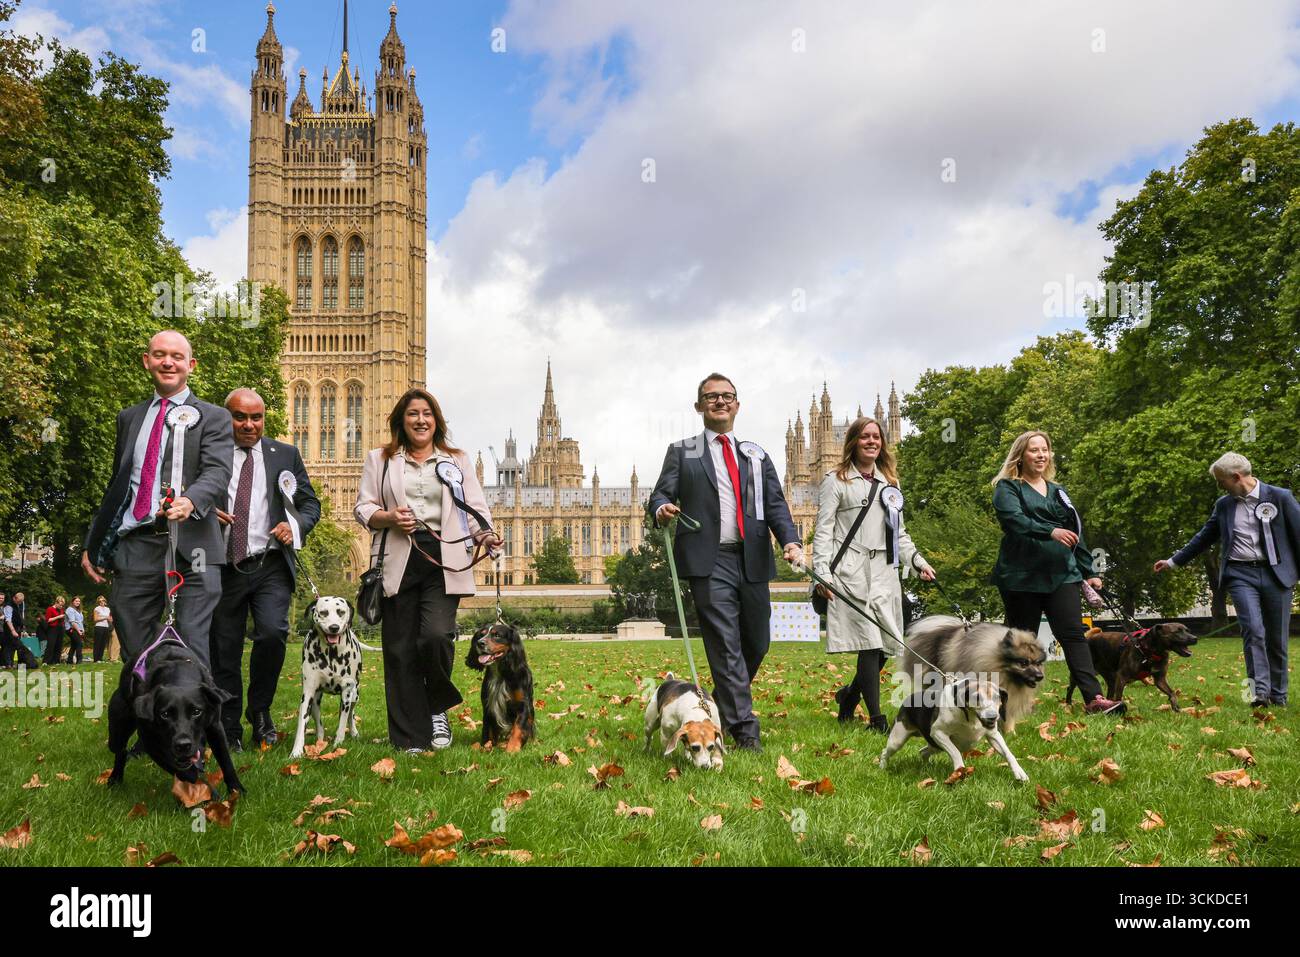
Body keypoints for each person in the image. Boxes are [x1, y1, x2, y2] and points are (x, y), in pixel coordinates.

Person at [647, 373, 802, 752]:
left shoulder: (755, 454)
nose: (720, 401)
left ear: (737, 404)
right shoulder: (682, 451)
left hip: (751, 559)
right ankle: (745, 732)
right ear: (699, 406)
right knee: (726, 646)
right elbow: (659, 496)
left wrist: (792, 541)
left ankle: (719, 703)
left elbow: (776, 503)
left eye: (727, 396)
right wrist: (662, 509)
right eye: (711, 397)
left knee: (757, 642)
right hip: (708, 560)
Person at [354, 388, 500, 753]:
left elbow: (474, 508)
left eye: (427, 414)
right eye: (413, 414)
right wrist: (387, 516)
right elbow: (363, 508)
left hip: (443, 556)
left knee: (435, 637)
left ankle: (436, 708)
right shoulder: (381, 459)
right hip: (398, 557)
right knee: (400, 648)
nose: (421, 420)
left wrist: (487, 534)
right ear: (401, 421)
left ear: (436, 421)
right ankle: (408, 737)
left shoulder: (456, 459)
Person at [81, 330, 233, 670]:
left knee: (192, 646)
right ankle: (152, 717)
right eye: (160, 355)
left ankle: (194, 722)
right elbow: (119, 486)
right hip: (136, 545)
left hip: (194, 548)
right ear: (146, 361)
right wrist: (93, 542)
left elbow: (218, 471)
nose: (168, 362)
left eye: (177, 357)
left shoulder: (215, 417)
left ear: (190, 365)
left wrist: (191, 501)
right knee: (138, 653)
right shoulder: (129, 417)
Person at [210, 388, 321, 751]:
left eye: (256, 418)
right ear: (227, 418)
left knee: (273, 634)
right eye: (240, 417)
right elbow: (188, 493)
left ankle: (260, 712)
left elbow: (309, 504)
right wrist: (205, 512)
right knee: (224, 647)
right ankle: (228, 724)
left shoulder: (284, 454)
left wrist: (296, 526)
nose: (248, 424)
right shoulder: (210, 450)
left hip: (269, 562)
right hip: (223, 564)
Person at [812, 416, 935, 731]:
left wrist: (918, 561)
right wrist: (820, 574)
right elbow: (823, 532)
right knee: (869, 643)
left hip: (885, 572)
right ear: (853, 441)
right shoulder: (835, 480)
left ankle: (849, 698)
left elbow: (900, 534)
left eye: (876, 437)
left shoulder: (890, 483)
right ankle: (878, 720)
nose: (871, 442)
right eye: (865, 436)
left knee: (884, 644)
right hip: (852, 573)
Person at [991, 430, 1123, 715]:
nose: (1041, 455)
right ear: (1020, 455)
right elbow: (1014, 520)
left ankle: (1094, 699)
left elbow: (1076, 531)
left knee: (1074, 634)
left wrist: (1090, 570)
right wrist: (1049, 531)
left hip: (1062, 573)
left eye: (1045, 450)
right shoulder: (1008, 487)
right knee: (1021, 639)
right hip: (1021, 575)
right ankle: (1006, 698)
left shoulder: (1059, 491)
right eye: (1034, 450)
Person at [1155, 452, 1298, 708]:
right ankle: (1260, 694)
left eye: (1221, 480)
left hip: (1278, 575)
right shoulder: (1224, 505)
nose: (1219, 485)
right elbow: (1205, 536)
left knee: (1277, 638)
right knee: (1253, 630)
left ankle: (1279, 695)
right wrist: (1174, 561)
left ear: (1236, 477)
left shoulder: (1280, 497)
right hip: (1241, 575)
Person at [1, 591, 40, 669]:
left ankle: (10, 664)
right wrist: (13, 631)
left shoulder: (16, 605)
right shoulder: (9, 606)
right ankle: (7, 664)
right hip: (9, 630)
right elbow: (8, 620)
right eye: (19, 601)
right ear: (14, 598)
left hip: (15, 629)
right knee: (8, 647)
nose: (20, 603)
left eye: (21, 602)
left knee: (12, 647)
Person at [42, 596, 66, 666]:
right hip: (52, 629)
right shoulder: (50, 609)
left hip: (60, 628)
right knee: (51, 645)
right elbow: (48, 620)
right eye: (60, 605)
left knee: (59, 645)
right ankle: (45, 661)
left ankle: (56, 661)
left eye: (62, 605)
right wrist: (58, 617)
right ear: (56, 603)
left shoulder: (61, 610)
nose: (61, 606)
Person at [64, 596, 85, 665]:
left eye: (79, 601)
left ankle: (69, 661)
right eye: (76, 601)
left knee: (74, 645)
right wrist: (79, 631)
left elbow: (80, 622)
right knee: (79, 643)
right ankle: (79, 660)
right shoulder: (70, 609)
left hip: (78, 629)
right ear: (73, 602)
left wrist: (82, 630)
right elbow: (72, 622)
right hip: (71, 629)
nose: (78, 602)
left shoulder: (79, 610)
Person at [91, 596, 113, 663]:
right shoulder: (97, 609)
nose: (101, 602)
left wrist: (109, 619)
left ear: (105, 601)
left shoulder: (108, 609)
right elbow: (95, 619)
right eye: (100, 601)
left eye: (103, 600)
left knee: (103, 644)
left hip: (106, 627)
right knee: (98, 643)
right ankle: (96, 659)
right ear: (98, 602)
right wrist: (105, 617)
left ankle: (100, 658)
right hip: (99, 627)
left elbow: (110, 619)